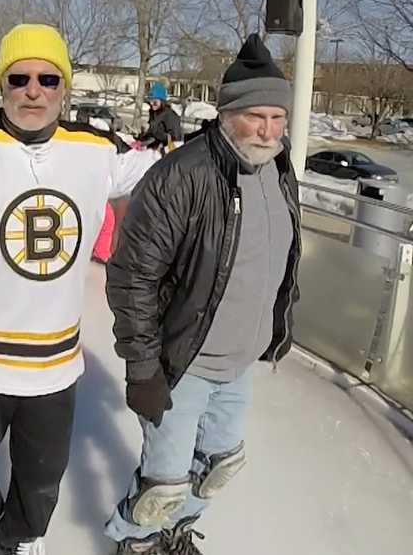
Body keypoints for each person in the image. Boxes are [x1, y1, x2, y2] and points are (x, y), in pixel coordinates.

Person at [0, 24, 160, 555]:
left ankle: (24, 536)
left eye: (48, 78)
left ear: (64, 88)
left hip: (54, 361)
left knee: (42, 470)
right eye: (19, 78)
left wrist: (242, 142)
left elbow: (169, 171)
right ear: (1, 87)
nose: (33, 90)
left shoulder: (95, 149)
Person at [104, 34, 301, 555]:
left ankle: (177, 535)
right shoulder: (181, 176)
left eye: (277, 118)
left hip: (238, 363)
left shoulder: (280, 170)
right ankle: (137, 541)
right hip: (183, 363)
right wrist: (143, 368)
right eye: (256, 116)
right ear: (227, 113)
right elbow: (132, 278)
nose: (268, 130)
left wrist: (277, 326)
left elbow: (280, 255)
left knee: (215, 469)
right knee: (162, 485)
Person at [138, 83, 183, 153]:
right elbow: (151, 135)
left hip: (166, 153)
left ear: (162, 101)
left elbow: (174, 139)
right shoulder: (153, 113)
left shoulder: (170, 115)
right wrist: (141, 135)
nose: (151, 103)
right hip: (153, 150)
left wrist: (151, 129)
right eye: (150, 101)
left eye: (155, 102)